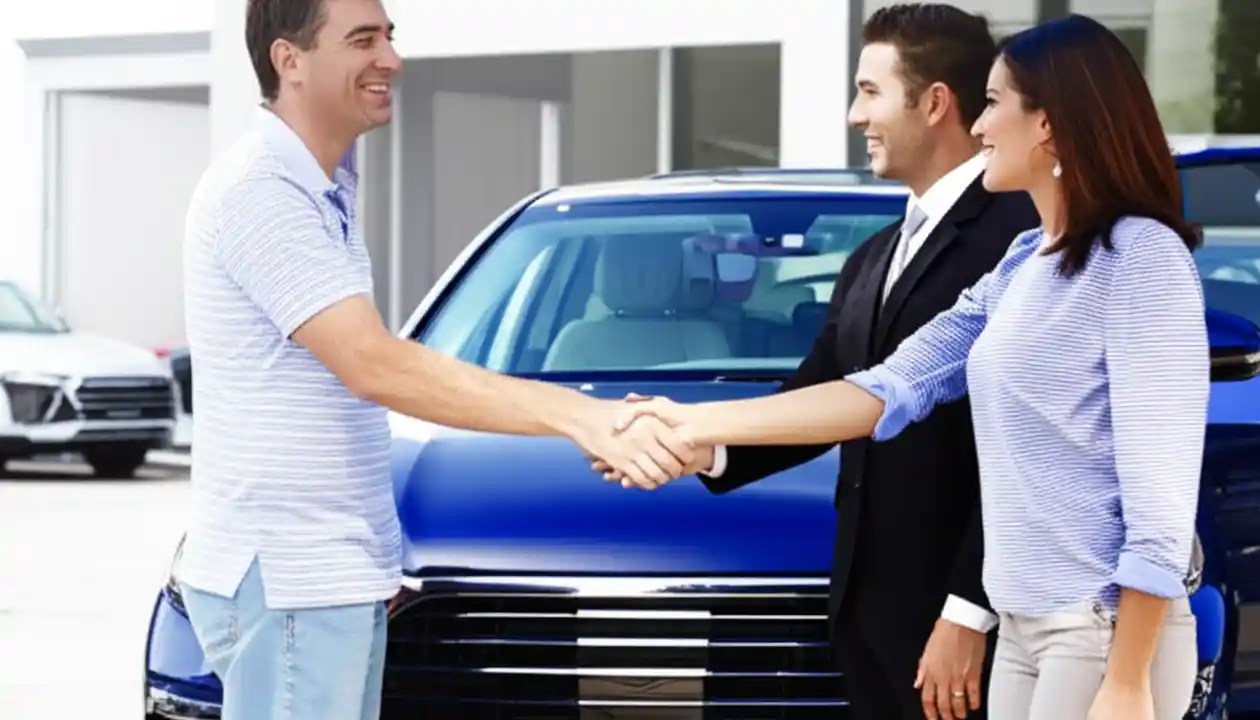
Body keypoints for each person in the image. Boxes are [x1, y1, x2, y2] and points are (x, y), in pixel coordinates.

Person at [612, 13, 1206, 720]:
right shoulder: (1023, 266)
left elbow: (1162, 508)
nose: (979, 126)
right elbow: (890, 387)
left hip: (1098, 630)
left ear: (1048, 124)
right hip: (1023, 628)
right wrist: (691, 422)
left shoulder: (1140, 258)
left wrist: (1130, 679)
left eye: (992, 104)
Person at [175, 1, 690, 718]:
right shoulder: (264, 193)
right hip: (294, 579)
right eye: (363, 40)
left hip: (326, 577)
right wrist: (584, 417)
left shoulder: (322, 189)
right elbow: (374, 366)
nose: (391, 59)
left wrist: (377, 554)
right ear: (288, 60)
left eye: (389, 37)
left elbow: (341, 397)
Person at [600, 5, 1037, 718]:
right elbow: (821, 394)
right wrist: (701, 448)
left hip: (963, 630)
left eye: (870, 91)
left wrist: (970, 610)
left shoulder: (1016, 242)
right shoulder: (873, 257)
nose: (851, 114)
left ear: (933, 104)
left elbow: (1022, 448)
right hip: (869, 619)